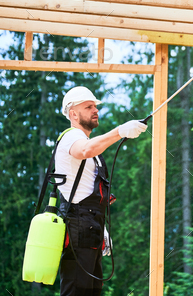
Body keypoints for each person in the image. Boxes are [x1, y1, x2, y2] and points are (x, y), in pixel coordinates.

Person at [56, 86, 147, 296]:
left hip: (90, 226)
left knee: (91, 291)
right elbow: (85, 150)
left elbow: (84, 191)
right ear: (73, 114)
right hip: (79, 226)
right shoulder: (71, 137)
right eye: (88, 106)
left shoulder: (90, 146)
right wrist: (120, 131)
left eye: (95, 106)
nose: (95, 110)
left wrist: (101, 227)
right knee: (77, 291)